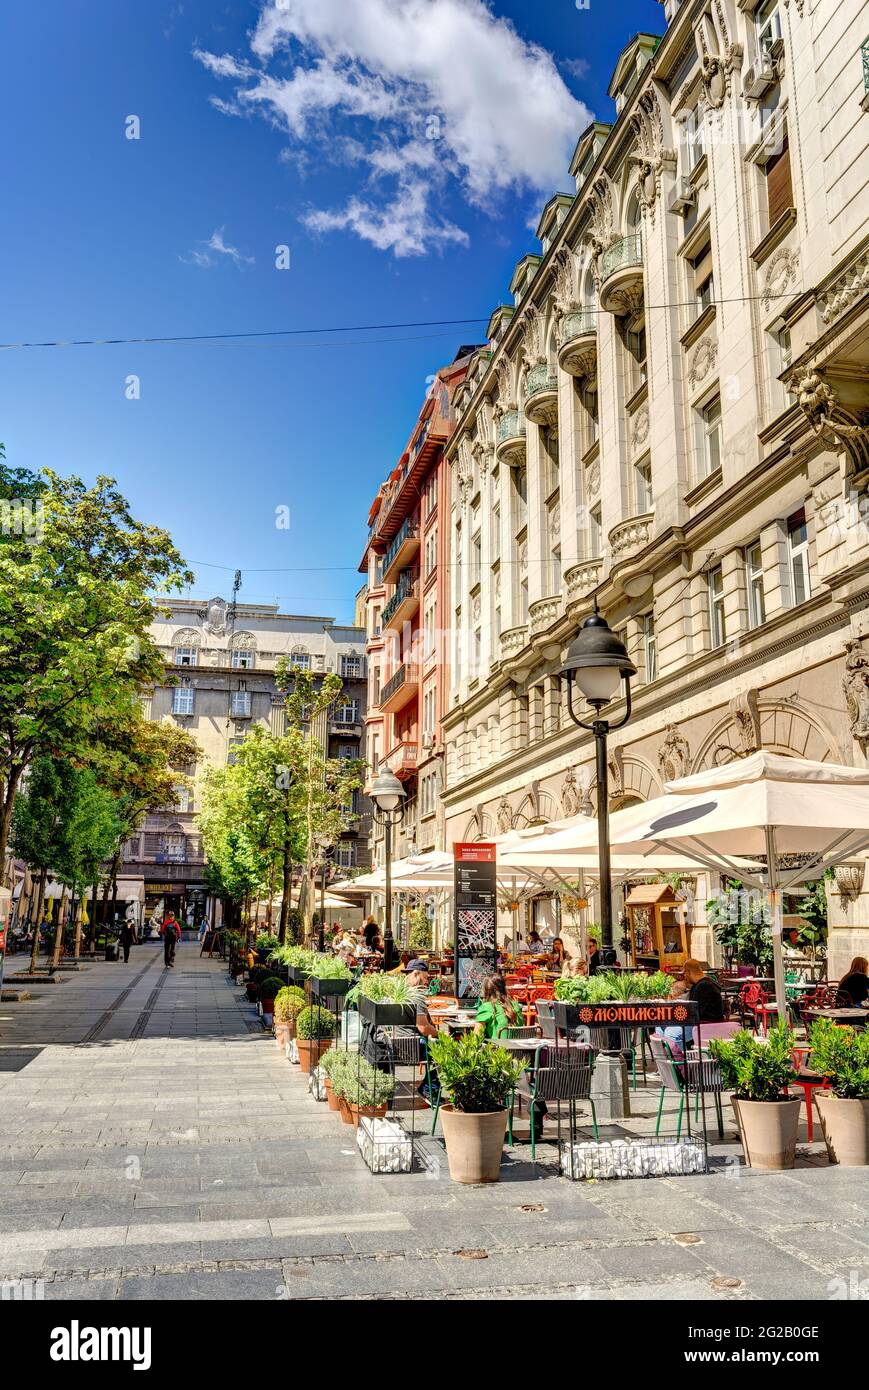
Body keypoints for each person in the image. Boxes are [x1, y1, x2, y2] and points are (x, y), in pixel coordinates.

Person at [474, 974, 523, 1039]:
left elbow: (476, 1038)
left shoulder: (486, 1007)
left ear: (485, 990)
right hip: (518, 1045)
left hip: (497, 1045)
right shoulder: (516, 1005)